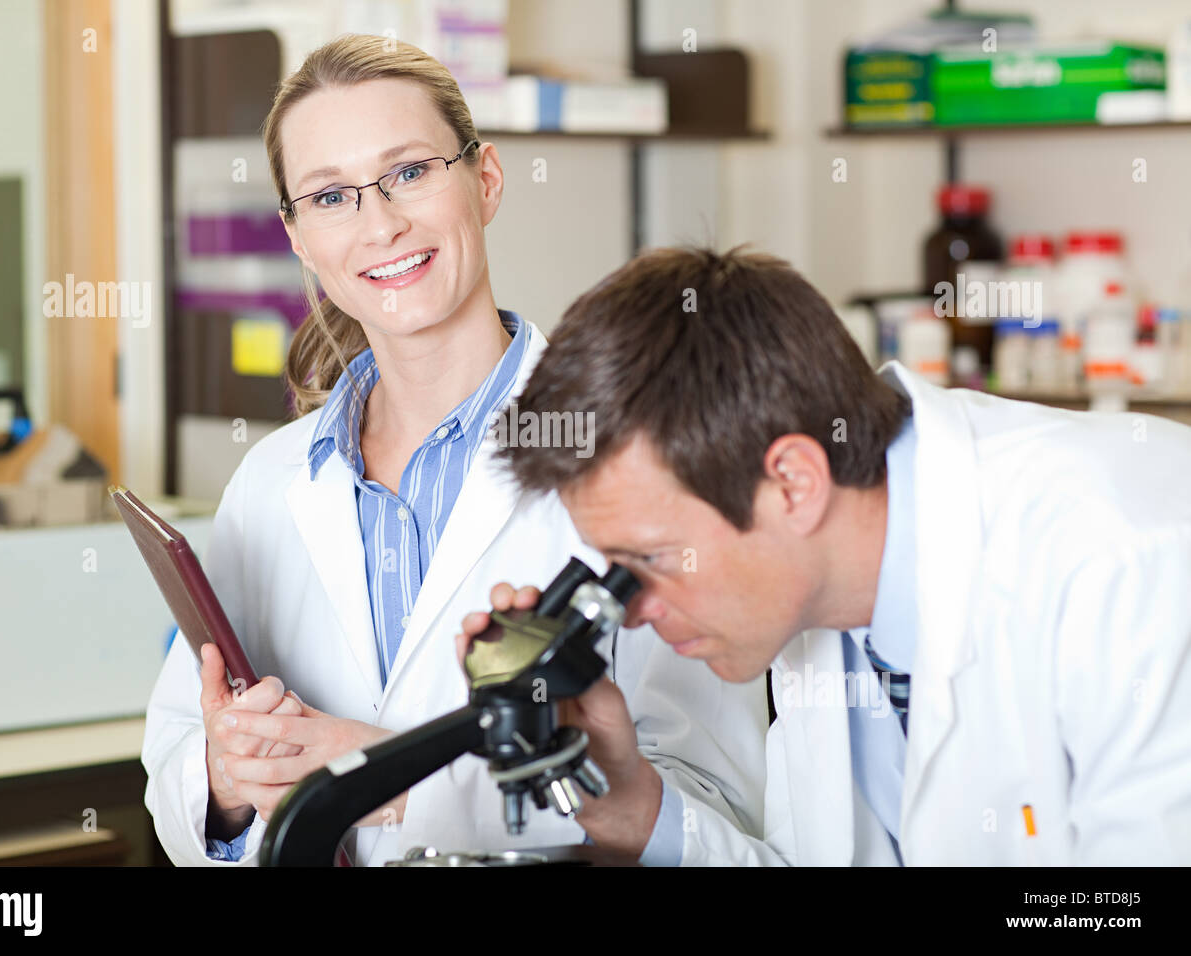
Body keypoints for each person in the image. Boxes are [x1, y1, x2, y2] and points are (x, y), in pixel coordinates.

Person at [141, 37, 770, 866]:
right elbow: (176, 766)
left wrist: (383, 780)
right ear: (297, 238)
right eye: (330, 197)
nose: (380, 223)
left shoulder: (634, 461)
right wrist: (223, 783)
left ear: (486, 180)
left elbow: (709, 811)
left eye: (410, 172)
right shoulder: (271, 480)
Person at [468, 244, 1191, 865]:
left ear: (793, 482)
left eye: (650, 560)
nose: (632, 615)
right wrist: (629, 804)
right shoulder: (816, 596)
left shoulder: (1130, 550)